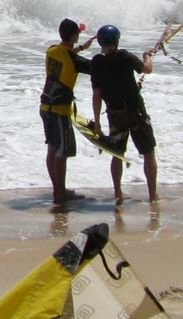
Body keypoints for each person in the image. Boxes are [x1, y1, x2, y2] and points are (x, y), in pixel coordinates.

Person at [88, 25, 158, 203]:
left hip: (115, 115)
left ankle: (118, 193)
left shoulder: (96, 62)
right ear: (117, 40)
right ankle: (152, 195)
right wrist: (147, 56)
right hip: (136, 113)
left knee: (117, 153)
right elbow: (147, 69)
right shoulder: (125, 56)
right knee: (148, 153)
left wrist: (97, 122)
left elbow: (96, 95)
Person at [40, 17, 94, 205]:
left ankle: (57, 188)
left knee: (52, 148)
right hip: (60, 111)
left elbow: (67, 56)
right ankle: (60, 193)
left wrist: (81, 48)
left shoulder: (52, 50)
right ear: (73, 36)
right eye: (78, 33)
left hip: (45, 106)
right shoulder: (74, 58)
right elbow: (96, 68)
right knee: (62, 152)